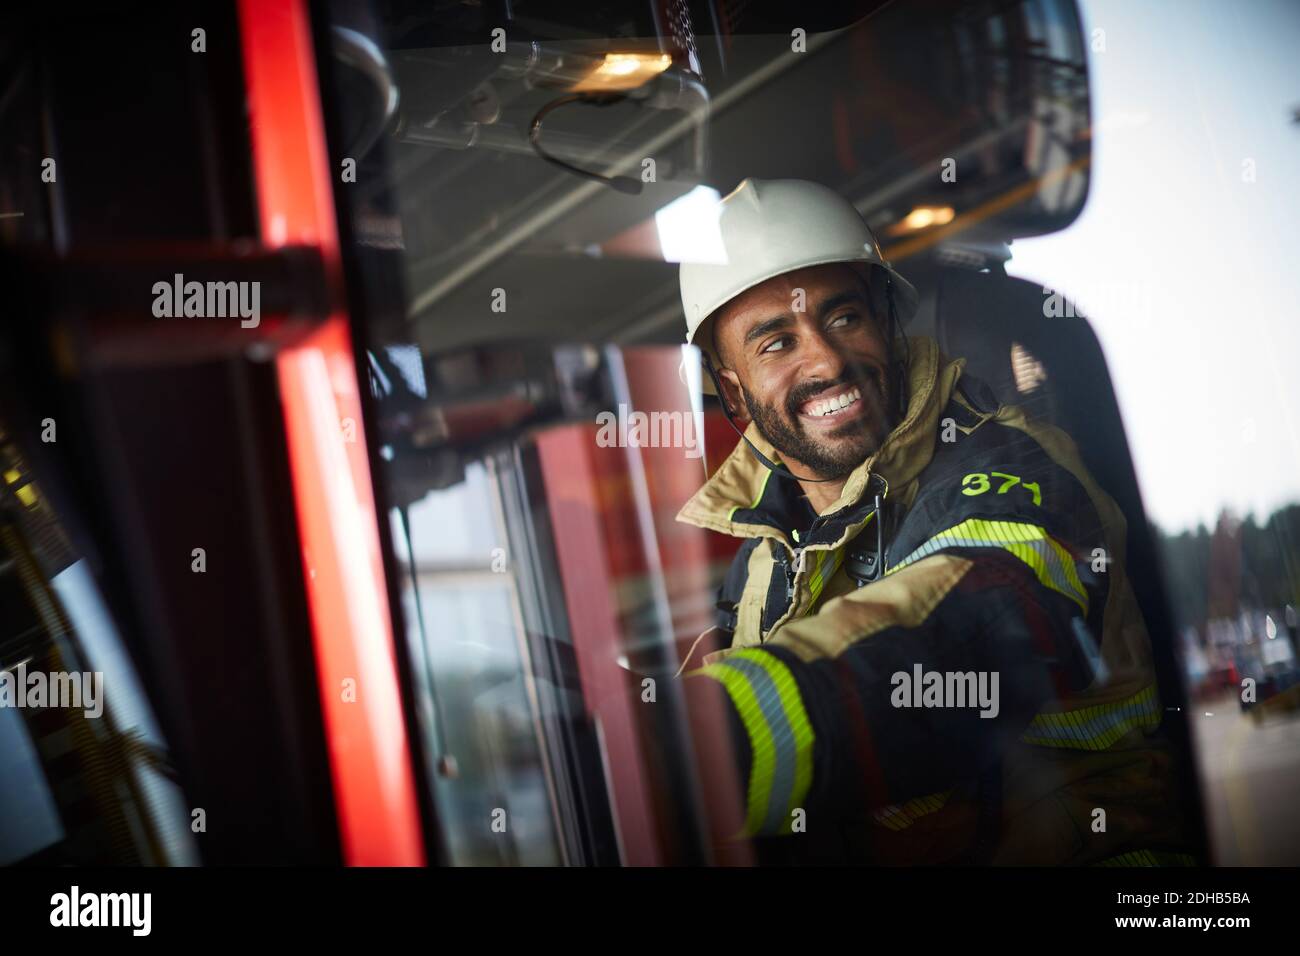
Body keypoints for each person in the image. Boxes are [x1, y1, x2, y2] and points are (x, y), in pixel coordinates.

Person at [673, 178, 1191, 865]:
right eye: (775, 343)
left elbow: (966, 635)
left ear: (886, 323)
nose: (826, 360)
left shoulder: (1017, 469)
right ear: (732, 387)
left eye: (844, 317)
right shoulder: (764, 554)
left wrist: (699, 746)